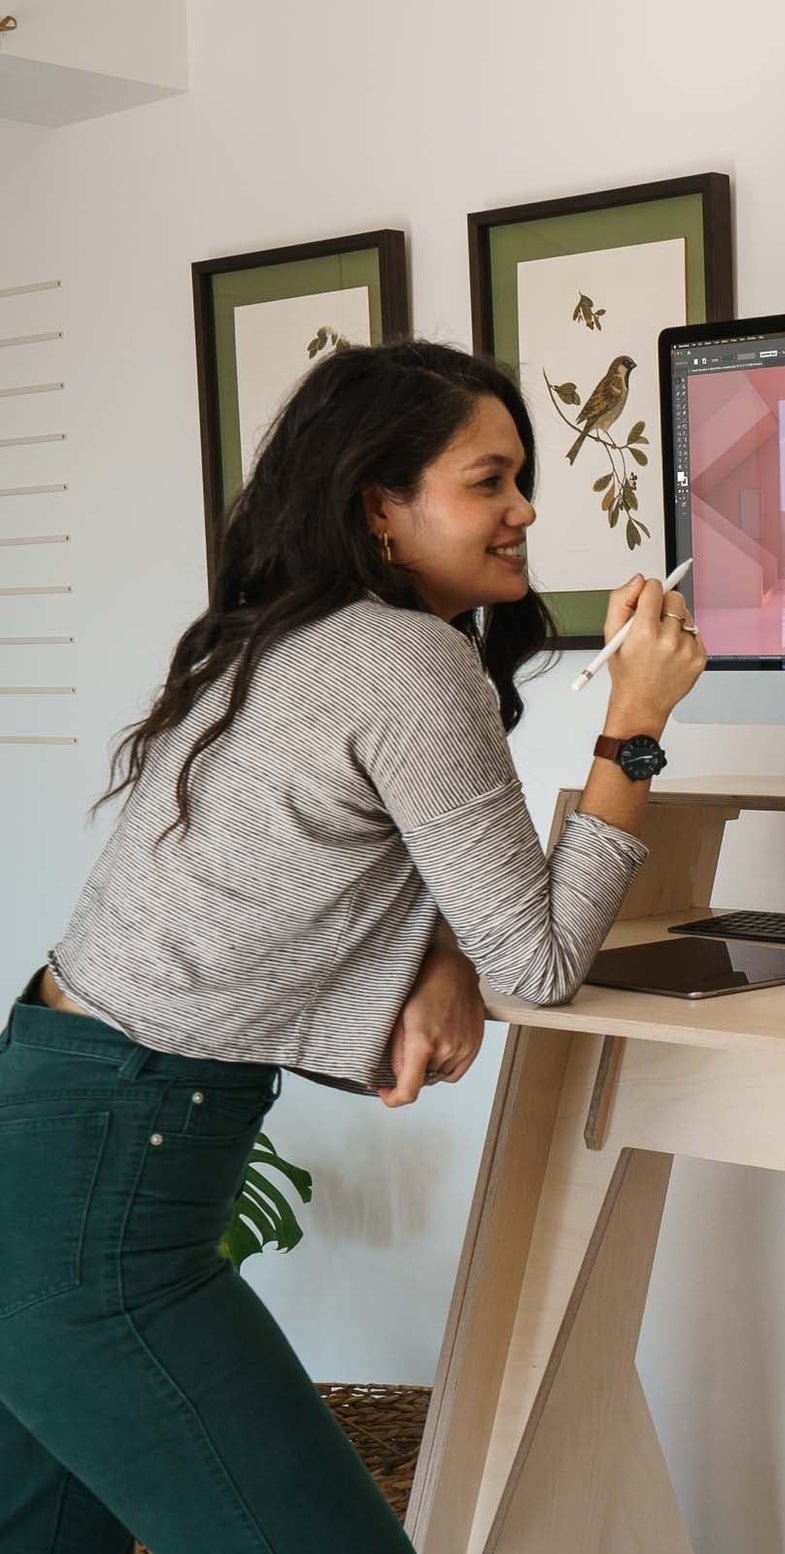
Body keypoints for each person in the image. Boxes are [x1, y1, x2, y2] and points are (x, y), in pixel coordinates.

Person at [0, 339, 706, 1553]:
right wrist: (633, 729)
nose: (526, 509)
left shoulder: (289, 633)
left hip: (55, 1129)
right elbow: (539, 962)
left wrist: (443, 958)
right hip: (110, 1187)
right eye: (489, 481)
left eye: (521, 477)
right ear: (382, 505)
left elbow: (412, 861)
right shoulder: (407, 659)